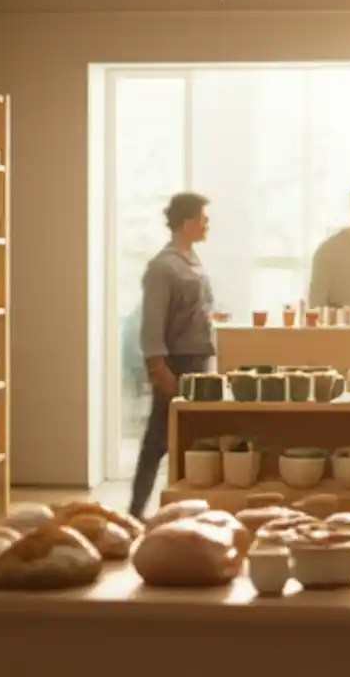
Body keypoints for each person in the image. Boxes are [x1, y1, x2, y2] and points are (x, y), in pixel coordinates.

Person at [129, 192, 216, 519]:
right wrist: (158, 368)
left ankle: (186, 510)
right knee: (158, 440)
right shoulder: (162, 267)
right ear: (188, 222)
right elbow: (152, 322)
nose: (207, 225)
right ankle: (135, 512)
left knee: (191, 438)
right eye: (204, 219)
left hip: (199, 361)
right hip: (176, 364)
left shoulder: (192, 260)